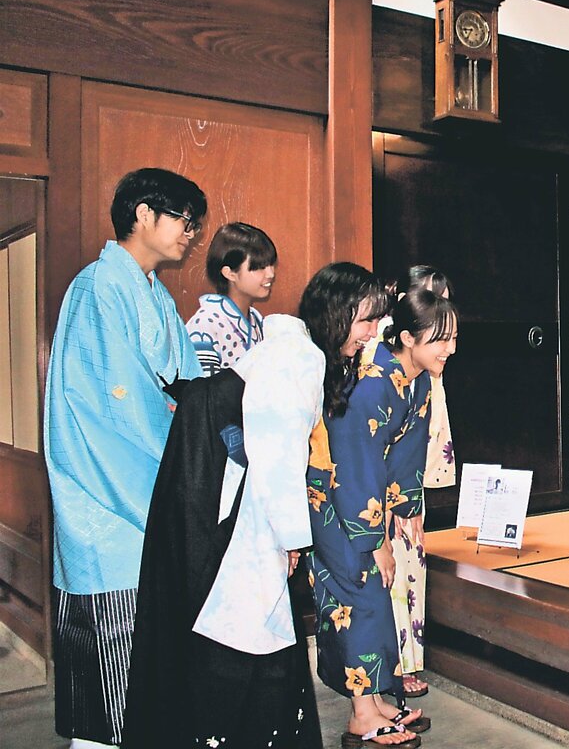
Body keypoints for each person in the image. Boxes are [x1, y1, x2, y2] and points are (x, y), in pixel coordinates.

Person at [121, 265, 350, 747]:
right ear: (339, 316)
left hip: (215, 475)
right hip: (230, 485)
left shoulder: (279, 344)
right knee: (243, 622)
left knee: (243, 622)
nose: (372, 333)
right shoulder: (301, 357)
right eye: (366, 320)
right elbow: (280, 454)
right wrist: (292, 539)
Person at [43, 167, 206, 748]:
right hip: (109, 500)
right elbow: (112, 408)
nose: (192, 234)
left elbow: (186, 392)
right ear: (143, 214)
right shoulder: (96, 288)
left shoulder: (154, 294)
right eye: (185, 220)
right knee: (109, 688)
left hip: (153, 487)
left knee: (150, 677)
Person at [308, 285, 457, 747]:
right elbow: (356, 463)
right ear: (408, 338)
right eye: (440, 339)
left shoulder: (419, 382)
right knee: (360, 587)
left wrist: (408, 509)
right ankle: (361, 715)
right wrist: (376, 539)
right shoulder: (374, 384)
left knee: (380, 591)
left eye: (453, 338)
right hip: (336, 498)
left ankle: (375, 700)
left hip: (364, 495)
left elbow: (408, 452)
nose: (450, 349)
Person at [391, 265, 457, 700]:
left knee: (412, 569)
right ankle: (392, 669)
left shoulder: (426, 370)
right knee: (394, 574)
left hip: (407, 485)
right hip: (384, 493)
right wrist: (400, 500)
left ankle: (407, 662)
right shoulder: (387, 371)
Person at [186, 222, 277, 375]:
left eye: (271, 264)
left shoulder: (257, 319)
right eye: (260, 267)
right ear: (229, 273)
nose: (270, 274)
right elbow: (203, 392)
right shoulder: (205, 323)